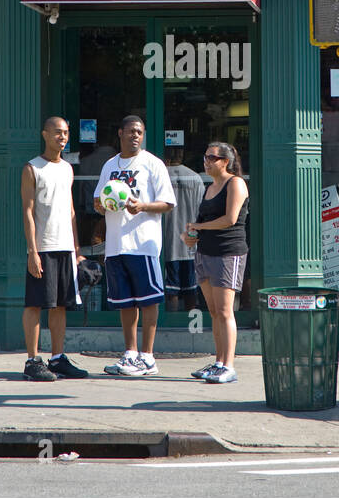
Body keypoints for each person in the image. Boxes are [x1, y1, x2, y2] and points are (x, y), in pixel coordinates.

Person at [93, 115, 176, 376]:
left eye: (139, 132)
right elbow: (98, 198)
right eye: (130, 131)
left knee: (148, 300)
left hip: (142, 244)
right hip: (116, 245)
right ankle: (130, 354)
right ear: (120, 133)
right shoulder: (110, 165)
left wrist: (142, 206)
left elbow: (168, 203)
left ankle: (148, 357)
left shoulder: (153, 164)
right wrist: (100, 204)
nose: (135, 136)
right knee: (125, 302)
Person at [21, 116, 89, 381]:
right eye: (57, 132)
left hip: (65, 248)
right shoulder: (32, 168)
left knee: (60, 304)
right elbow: (27, 211)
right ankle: (32, 361)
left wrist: (77, 248)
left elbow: (71, 210)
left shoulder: (68, 168)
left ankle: (58, 358)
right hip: (43, 247)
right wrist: (32, 251)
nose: (62, 137)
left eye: (66, 133)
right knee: (36, 304)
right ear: (45, 134)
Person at [186, 142, 249, 384]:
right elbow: (202, 221)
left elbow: (230, 219)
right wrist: (190, 234)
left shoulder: (236, 183)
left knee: (225, 311)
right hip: (205, 252)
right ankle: (219, 362)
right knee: (213, 312)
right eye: (205, 156)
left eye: (212, 157)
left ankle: (229, 366)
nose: (207, 161)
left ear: (225, 161)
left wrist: (199, 227)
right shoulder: (209, 187)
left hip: (228, 253)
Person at [162, 146, 204, 313]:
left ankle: (170, 322)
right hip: (190, 240)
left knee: (170, 288)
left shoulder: (159, 177)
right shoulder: (194, 177)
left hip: (166, 240)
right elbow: (203, 210)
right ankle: (190, 325)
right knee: (190, 288)